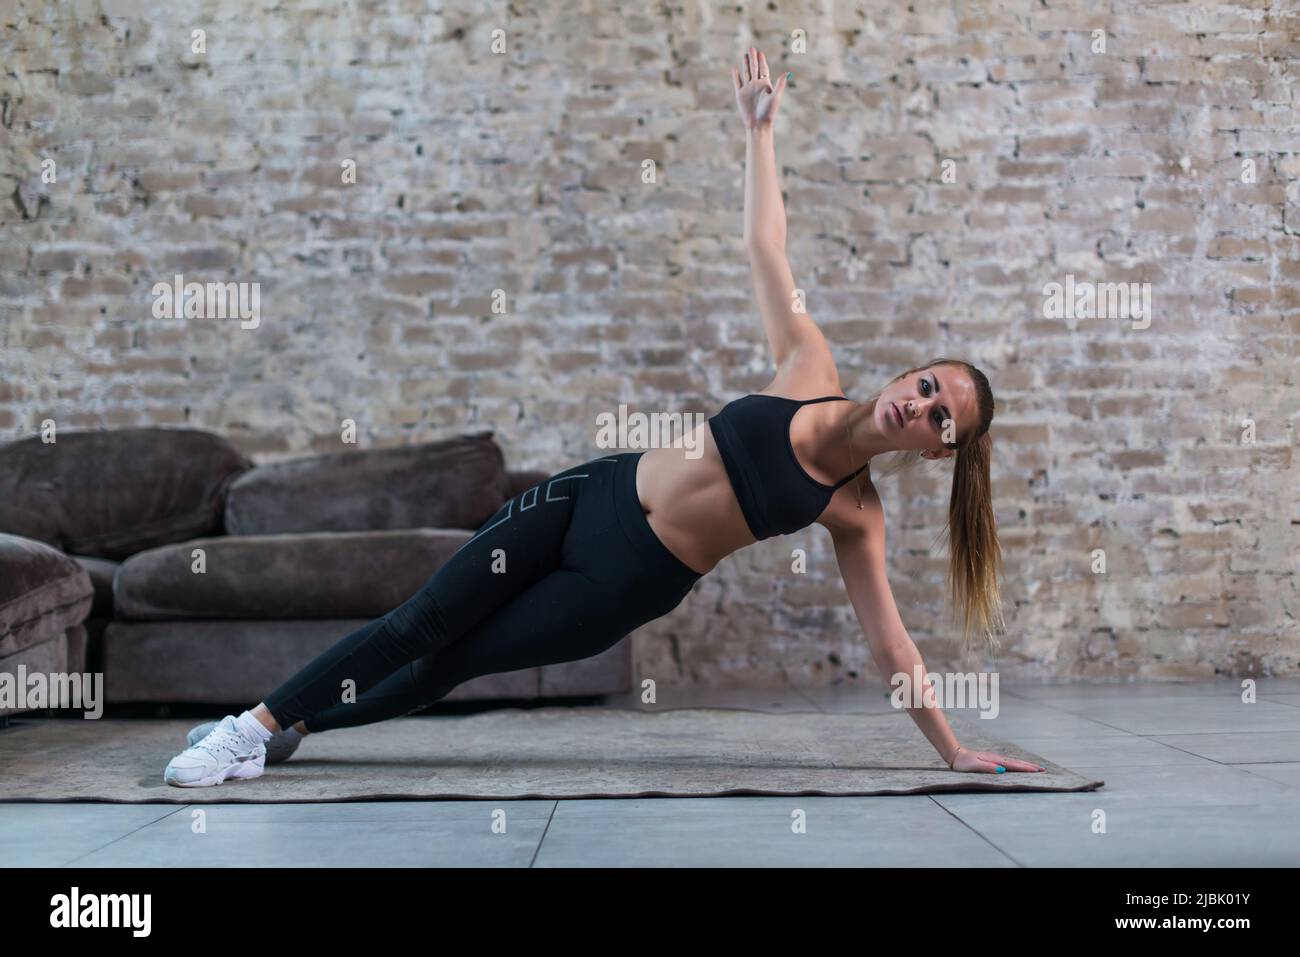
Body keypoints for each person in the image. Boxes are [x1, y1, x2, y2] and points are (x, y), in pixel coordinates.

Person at [164, 47, 1044, 787]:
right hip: (590, 495)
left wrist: (954, 747)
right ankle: (250, 727)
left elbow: (894, 648)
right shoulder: (809, 364)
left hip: (622, 584)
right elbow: (765, 245)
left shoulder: (856, 515)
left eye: (939, 419)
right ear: (911, 372)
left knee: (450, 664)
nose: (920, 405)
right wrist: (760, 131)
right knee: (421, 620)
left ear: (937, 452)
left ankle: (296, 729)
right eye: (929, 385)